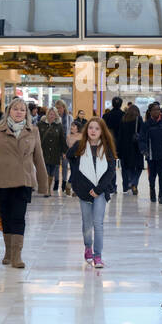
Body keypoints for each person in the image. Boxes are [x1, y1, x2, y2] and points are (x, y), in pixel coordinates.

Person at [0, 97, 50, 269]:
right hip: (0, 180)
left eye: (22, 110)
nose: (19, 112)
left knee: (19, 217)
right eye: (15, 109)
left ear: (26, 113)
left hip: (23, 181)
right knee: (6, 217)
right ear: (9, 110)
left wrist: (43, 183)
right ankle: (8, 252)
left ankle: (17, 255)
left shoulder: (33, 131)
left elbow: (38, 158)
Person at [67, 117, 116, 269]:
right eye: (90, 128)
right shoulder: (79, 146)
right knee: (87, 223)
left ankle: (98, 255)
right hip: (84, 192)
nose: (93, 131)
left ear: (102, 131)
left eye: (97, 128)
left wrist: (99, 189)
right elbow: (70, 158)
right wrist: (77, 181)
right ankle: (88, 247)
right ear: (86, 130)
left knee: (98, 223)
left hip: (100, 191)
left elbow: (110, 171)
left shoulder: (106, 148)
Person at [37, 107, 65, 196]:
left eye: (53, 114)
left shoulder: (59, 126)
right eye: (50, 114)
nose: (51, 116)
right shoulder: (40, 124)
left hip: (55, 152)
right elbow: (36, 138)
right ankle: (46, 190)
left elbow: (62, 139)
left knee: (52, 171)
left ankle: (48, 188)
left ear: (56, 115)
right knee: (45, 171)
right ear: (47, 114)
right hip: (43, 152)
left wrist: (65, 151)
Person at [117, 103, 144, 195]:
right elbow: (143, 133)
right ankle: (134, 182)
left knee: (127, 167)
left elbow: (119, 136)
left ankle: (128, 184)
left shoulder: (123, 120)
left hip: (125, 149)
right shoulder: (138, 119)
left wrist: (118, 149)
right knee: (139, 167)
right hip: (136, 148)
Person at [100, 96, 125, 193]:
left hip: (109, 144)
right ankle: (126, 185)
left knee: (111, 166)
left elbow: (102, 130)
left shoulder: (106, 116)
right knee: (124, 166)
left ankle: (112, 186)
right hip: (122, 144)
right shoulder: (125, 115)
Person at [53, 99, 73, 194]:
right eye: (56, 108)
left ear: (64, 108)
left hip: (66, 145)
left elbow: (71, 132)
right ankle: (56, 182)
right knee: (56, 165)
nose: (58, 110)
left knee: (65, 165)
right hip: (56, 145)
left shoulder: (69, 118)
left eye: (59, 108)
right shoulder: (54, 118)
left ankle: (64, 183)